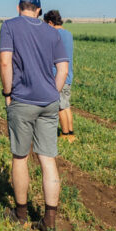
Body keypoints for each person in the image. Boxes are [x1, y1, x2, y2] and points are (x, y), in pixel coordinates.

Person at [0, 0, 69, 231]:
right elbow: (63, 67)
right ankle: (49, 221)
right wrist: (53, 91)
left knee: (20, 157)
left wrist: (7, 92)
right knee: (47, 159)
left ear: (19, 7)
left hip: (22, 100)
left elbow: (5, 62)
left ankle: (20, 215)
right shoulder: (52, 32)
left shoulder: (9, 26)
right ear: (38, 10)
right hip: (49, 102)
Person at [43, 9, 75, 141]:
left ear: (50, 23)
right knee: (66, 105)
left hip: (58, 75)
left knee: (60, 107)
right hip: (68, 75)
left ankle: (65, 134)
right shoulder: (68, 34)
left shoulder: (54, 35)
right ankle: (71, 132)